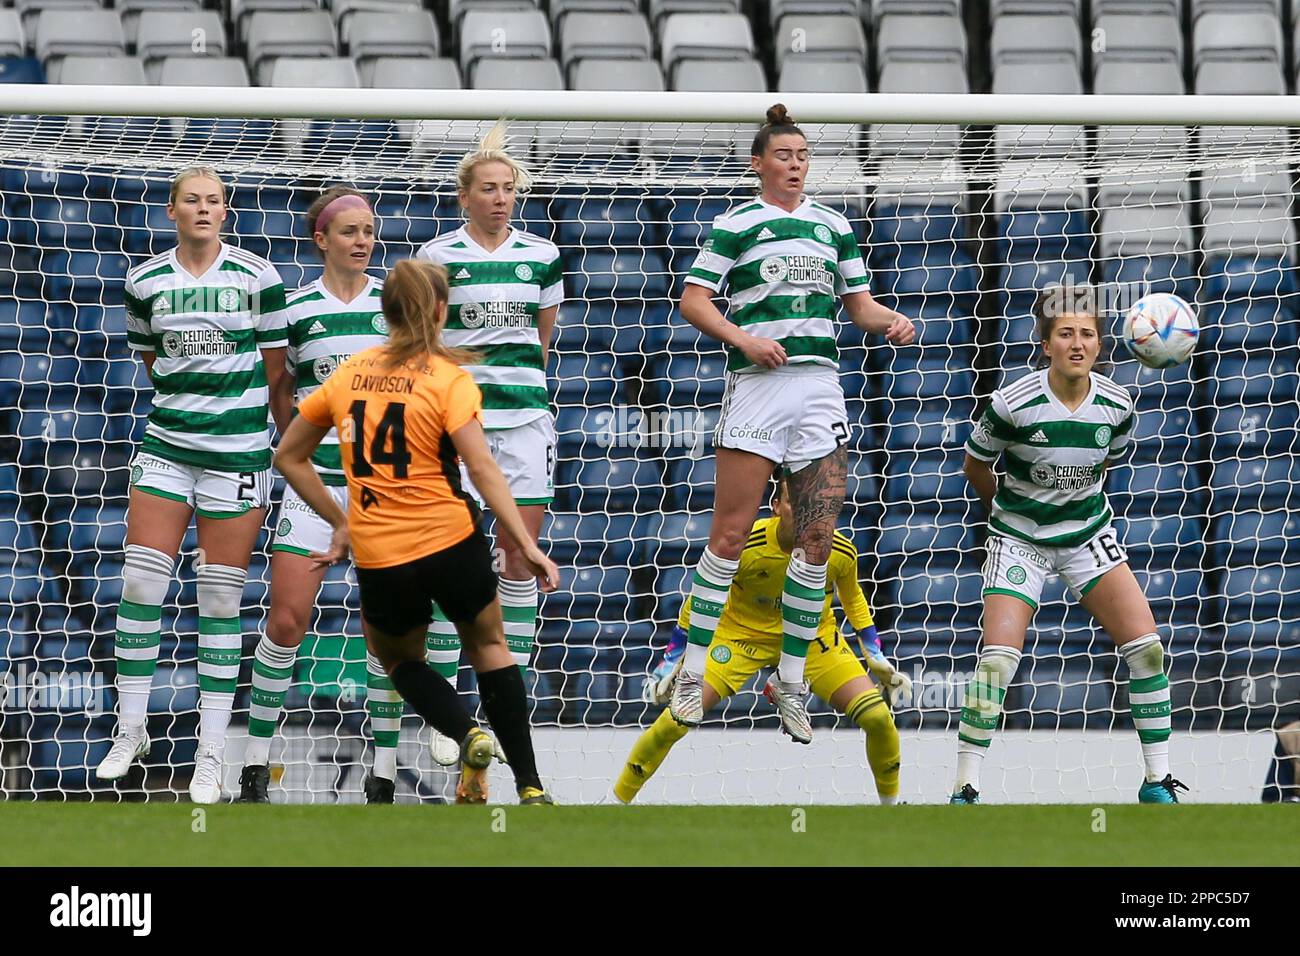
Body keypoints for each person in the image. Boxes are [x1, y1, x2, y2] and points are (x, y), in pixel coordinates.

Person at [669, 103, 915, 744]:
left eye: (803, 156)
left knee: (815, 538)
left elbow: (858, 307)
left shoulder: (834, 226)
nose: (796, 165)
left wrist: (890, 319)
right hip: (756, 389)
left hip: (818, 390)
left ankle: (792, 682)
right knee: (728, 534)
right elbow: (693, 300)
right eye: (784, 155)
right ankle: (692, 673)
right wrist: (744, 339)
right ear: (758, 164)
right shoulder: (736, 225)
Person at [274, 258, 559, 805]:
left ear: (385, 310)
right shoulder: (449, 378)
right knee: (491, 647)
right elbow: (481, 468)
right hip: (452, 539)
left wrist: (339, 522)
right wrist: (526, 544)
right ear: (440, 310)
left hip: (382, 551)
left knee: (400, 659)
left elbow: (290, 455)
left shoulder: (349, 374)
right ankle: (530, 785)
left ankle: (466, 732)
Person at [96, 167, 289, 804]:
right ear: (173, 210)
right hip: (168, 445)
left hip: (237, 452)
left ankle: (210, 754)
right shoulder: (143, 281)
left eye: (214, 201)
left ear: (226, 212)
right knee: (142, 578)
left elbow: (273, 371)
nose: (204, 210)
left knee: (218, 600)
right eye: (192, 201)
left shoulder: (259, 277)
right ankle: (131, 730)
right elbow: (151, 360)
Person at [952, 284, 1187, 804]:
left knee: (1146, 650)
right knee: (998, 660)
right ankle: (965, 786)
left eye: (1087, 334)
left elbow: (1105, 462)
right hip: (1021, 539)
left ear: (1101, 345)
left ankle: (1157, 782)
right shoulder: (1012, 405)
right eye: (1065, 334)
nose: (1077, 343)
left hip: (1086, 536)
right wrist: (1004, 513)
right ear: (1046, 344)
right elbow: (974, 464)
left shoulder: (1118, 406)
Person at [614, 475, 911, 804]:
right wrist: (672, 658)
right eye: (793, 502)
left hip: (812, 638)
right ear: (776, 507)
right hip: (741, 634)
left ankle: (890, 811)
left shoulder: (839, 549)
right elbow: (703, 593)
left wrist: (875, 656)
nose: (804, 511)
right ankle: (615, 806)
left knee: (878, 719)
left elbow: (853, 598)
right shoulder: (745, 543)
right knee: (676, 720)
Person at [235, 186, 392, 804]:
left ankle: (382, 771)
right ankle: (254, 765)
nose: (363, 241)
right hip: (315, 484)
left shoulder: (395, 306)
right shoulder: (296, 310)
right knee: (287, 619)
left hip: (384, 490)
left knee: (385, 630)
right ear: (321, 239)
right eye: (350, 231)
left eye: (370, 231)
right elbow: (282, 392)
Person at [416, 123, 562, 766]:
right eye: (489, 189)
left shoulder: (542, 254)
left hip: (526, 424)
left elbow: (542, 338)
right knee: (459, 566)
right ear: (464, 196)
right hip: (461, 428)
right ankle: (457, 718)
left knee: (520, 562)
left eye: (509, 189)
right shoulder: (436, 255)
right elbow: (429, 344)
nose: (500, 198)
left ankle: (508, 705)